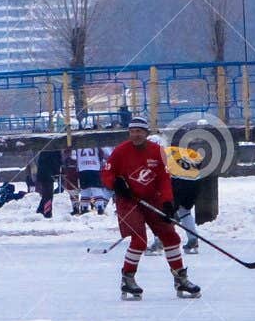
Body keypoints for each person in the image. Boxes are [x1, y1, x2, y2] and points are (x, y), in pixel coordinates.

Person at [104, 117, 199, 300]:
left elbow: (164, 180)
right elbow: (107, 174)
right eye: (132, 131)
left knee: (171, 237)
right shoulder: (120, 152)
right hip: (128, 202)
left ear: (146, 133)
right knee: (139, 241)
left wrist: (167, 202)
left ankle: (180, 278)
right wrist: (115, 183)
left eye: (139, 131)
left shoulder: (157, 152)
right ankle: (128, 278)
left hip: (152, 200)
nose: (135, 135)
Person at [75, 145, 108, 215]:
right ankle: (100, 207)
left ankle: (84, 207)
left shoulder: (78, 142)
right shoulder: (95, 141)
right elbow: (101, 154)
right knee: (96, 188)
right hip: (94, 166)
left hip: (82, 167)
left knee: (85, 189)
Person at [33, 144, 62, 218]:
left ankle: (41, 209)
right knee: (48, 194)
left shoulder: (46, 150)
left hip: (45, 173)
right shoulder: (53, 150)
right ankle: (47, 212)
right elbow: (56, 161)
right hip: (47, 173)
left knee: (47, 194)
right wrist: (57, 171)